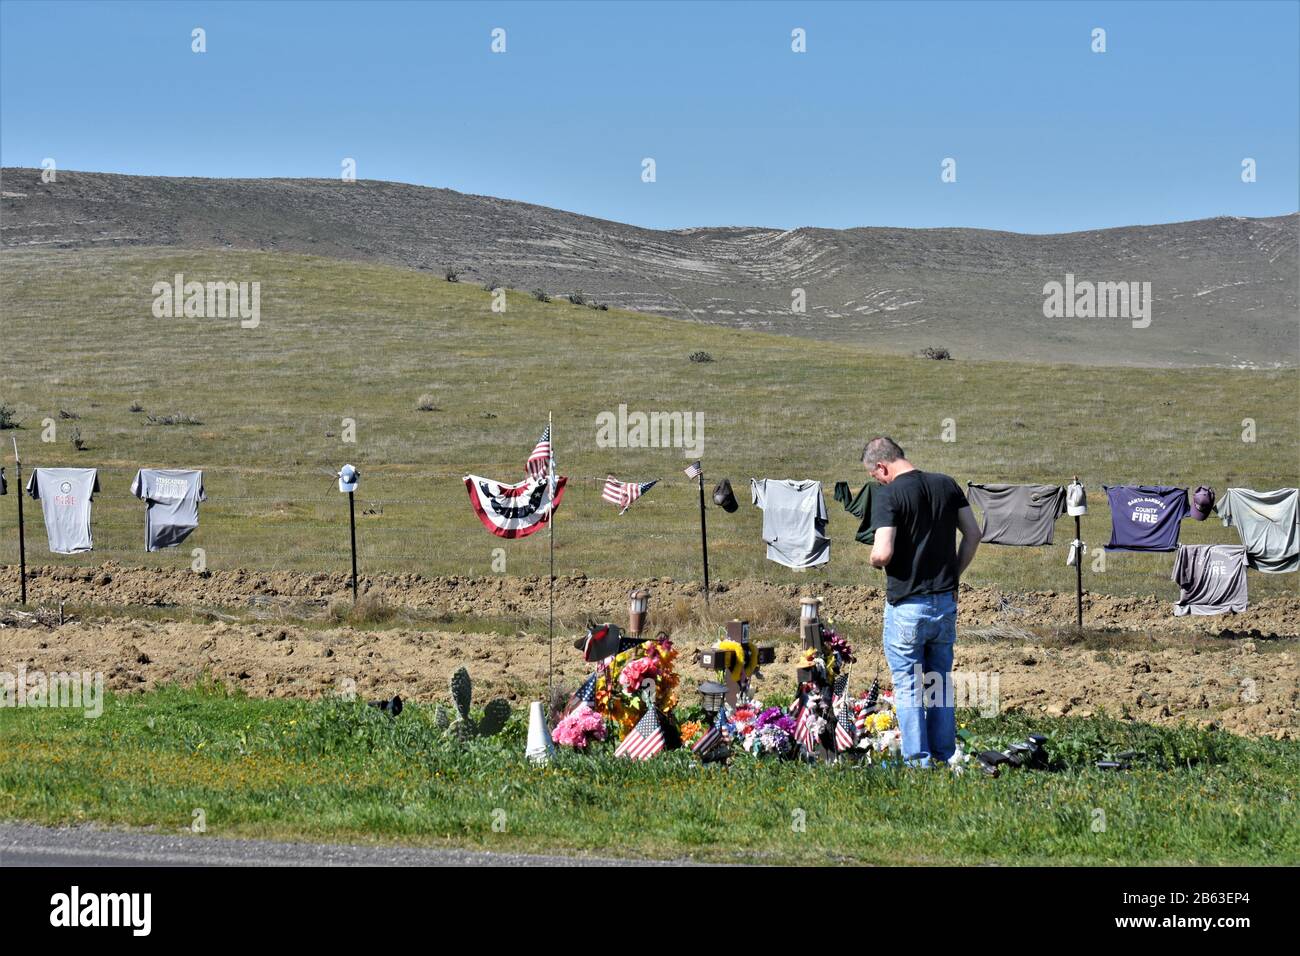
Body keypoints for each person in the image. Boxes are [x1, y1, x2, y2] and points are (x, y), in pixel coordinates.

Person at [864, 437, 981, 767]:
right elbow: (973, 534)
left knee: (909, 686)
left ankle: (918, 761)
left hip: (907, 606)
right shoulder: (947, 484)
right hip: (944, 603)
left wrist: (874, 558)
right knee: (939, 683)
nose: (878, 481)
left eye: (876, 476)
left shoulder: (889, 494)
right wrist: (954, 575)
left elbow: (883, 552)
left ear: (881, 466)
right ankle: (946, 754)